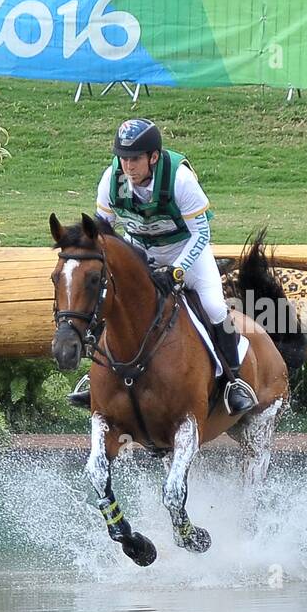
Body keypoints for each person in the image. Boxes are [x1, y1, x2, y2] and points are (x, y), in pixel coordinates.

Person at [66, 118, 257, 415]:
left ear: (153, 157)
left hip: (186, 250)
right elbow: (102, 229)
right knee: (109, 298)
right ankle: (98, 378)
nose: (128, 166)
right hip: (141, 250)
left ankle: (234, 381)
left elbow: (201, 233)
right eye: (123, 158)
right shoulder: (111, 179)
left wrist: (177, 271)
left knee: (215, 307)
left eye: (135, 159)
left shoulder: (179, 180)